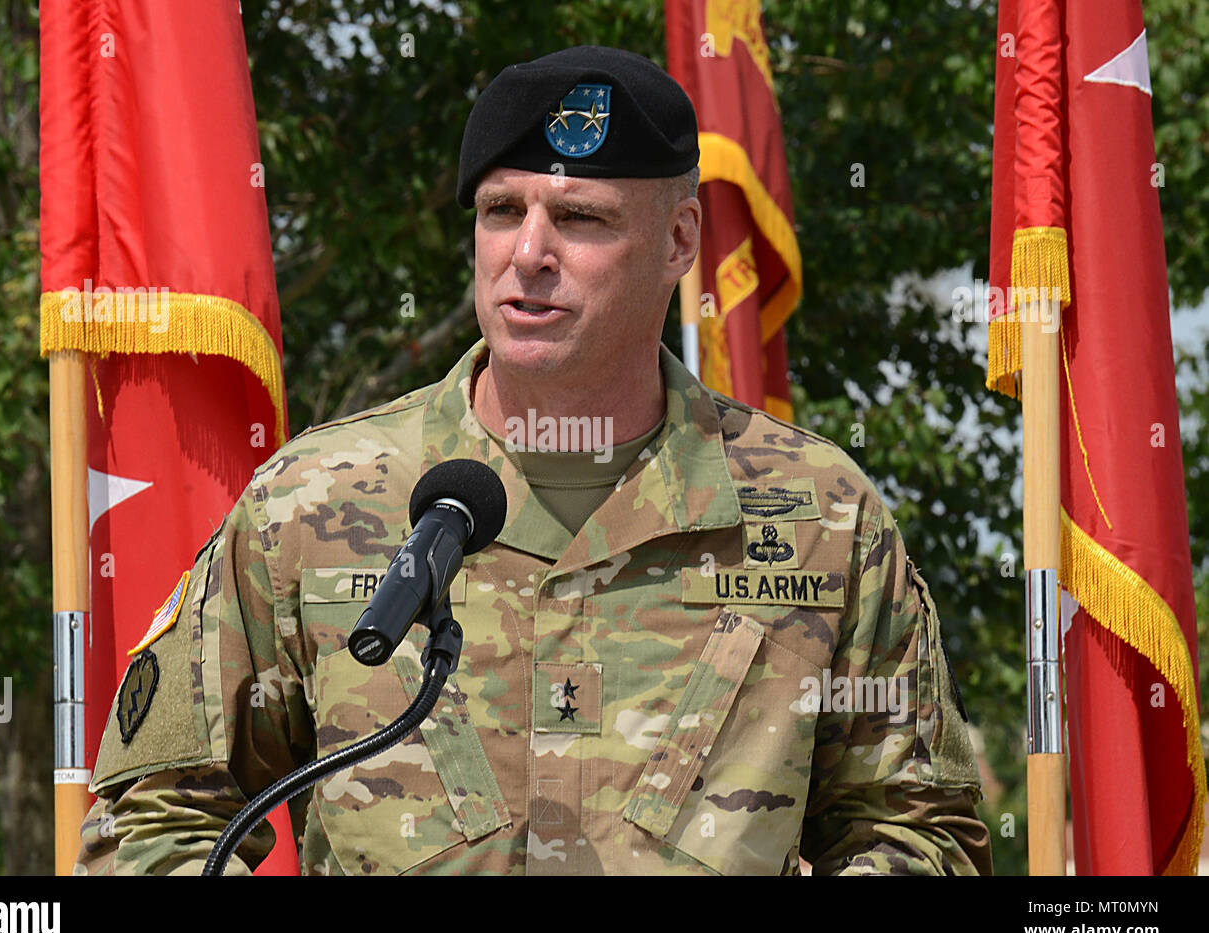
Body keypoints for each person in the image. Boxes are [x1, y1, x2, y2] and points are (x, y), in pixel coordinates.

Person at [77, 45, 992, 876]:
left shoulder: (818, 514)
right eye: (502, 210)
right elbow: (150, 819)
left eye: (581, 219)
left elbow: (918, 829)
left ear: (679, 240)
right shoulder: (311, 504)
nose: (528, 253)